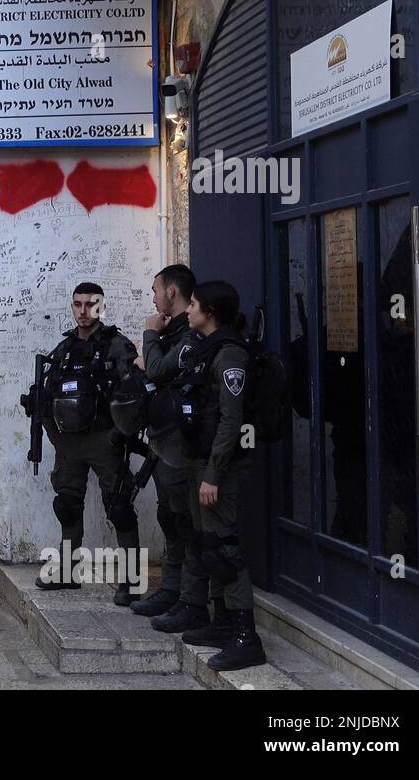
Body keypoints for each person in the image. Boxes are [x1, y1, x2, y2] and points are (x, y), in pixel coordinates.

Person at [159, 280, 266, 670]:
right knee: (207, 542)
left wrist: (214, 475)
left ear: (211, 312)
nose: (188, 310)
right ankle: (221, 622)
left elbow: (230, 421)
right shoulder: (205, 348)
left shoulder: (231, 355)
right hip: (198, 461)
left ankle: (245, 636)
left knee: (224, 548)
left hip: (218, 468)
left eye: (195, 306)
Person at [35, 282, 142, 606]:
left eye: (90, 304)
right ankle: (67, 570)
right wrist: (54, 436)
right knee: (66, 506)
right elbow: (46, 395)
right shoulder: (64, 349)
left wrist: (118, 435)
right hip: (70, 442)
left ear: (101, 307)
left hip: (103, 438)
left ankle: (131, 581)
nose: (83, 311)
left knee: (120, 508)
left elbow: (135, 394)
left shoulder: (117, 346)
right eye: (77, 304)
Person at [130, 264, 209, 621]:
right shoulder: (173, 331)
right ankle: (172, 590)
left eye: (155, 290)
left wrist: (148, 338)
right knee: (170, 517)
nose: (154, 297)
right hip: (164, 440)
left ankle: (190, 601)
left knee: (186, 522)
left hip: (183, 444)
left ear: (172, 292)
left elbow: (159, 369)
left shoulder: (189, 337)